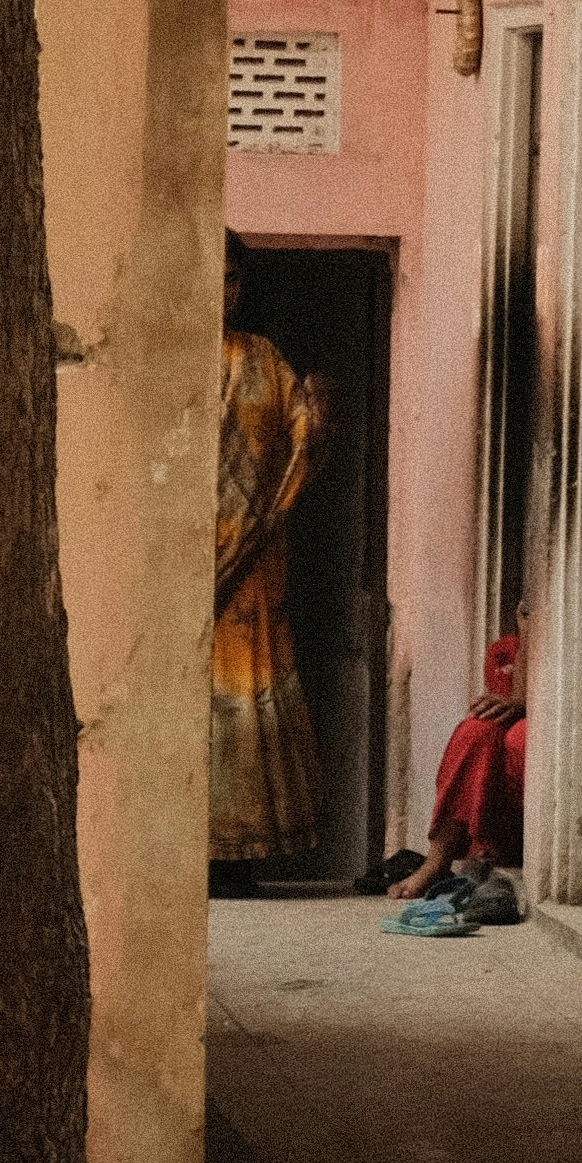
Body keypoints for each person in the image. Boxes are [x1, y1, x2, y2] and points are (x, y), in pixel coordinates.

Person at [210, 257, 329, 880]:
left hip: (251, 571)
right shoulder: (166, 349)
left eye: (232, 279)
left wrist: (316, 415)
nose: (222, 290)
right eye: (213, 274)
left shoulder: (264, 360)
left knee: (249, 697)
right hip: (179, 568)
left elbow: (300, 441)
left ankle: (240, 859)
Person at [375, 637, 529, 930]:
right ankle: (438, 860)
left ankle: (484, 851)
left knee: (519, 738)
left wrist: (525, 699)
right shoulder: (510, 651)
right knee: (477, 731)